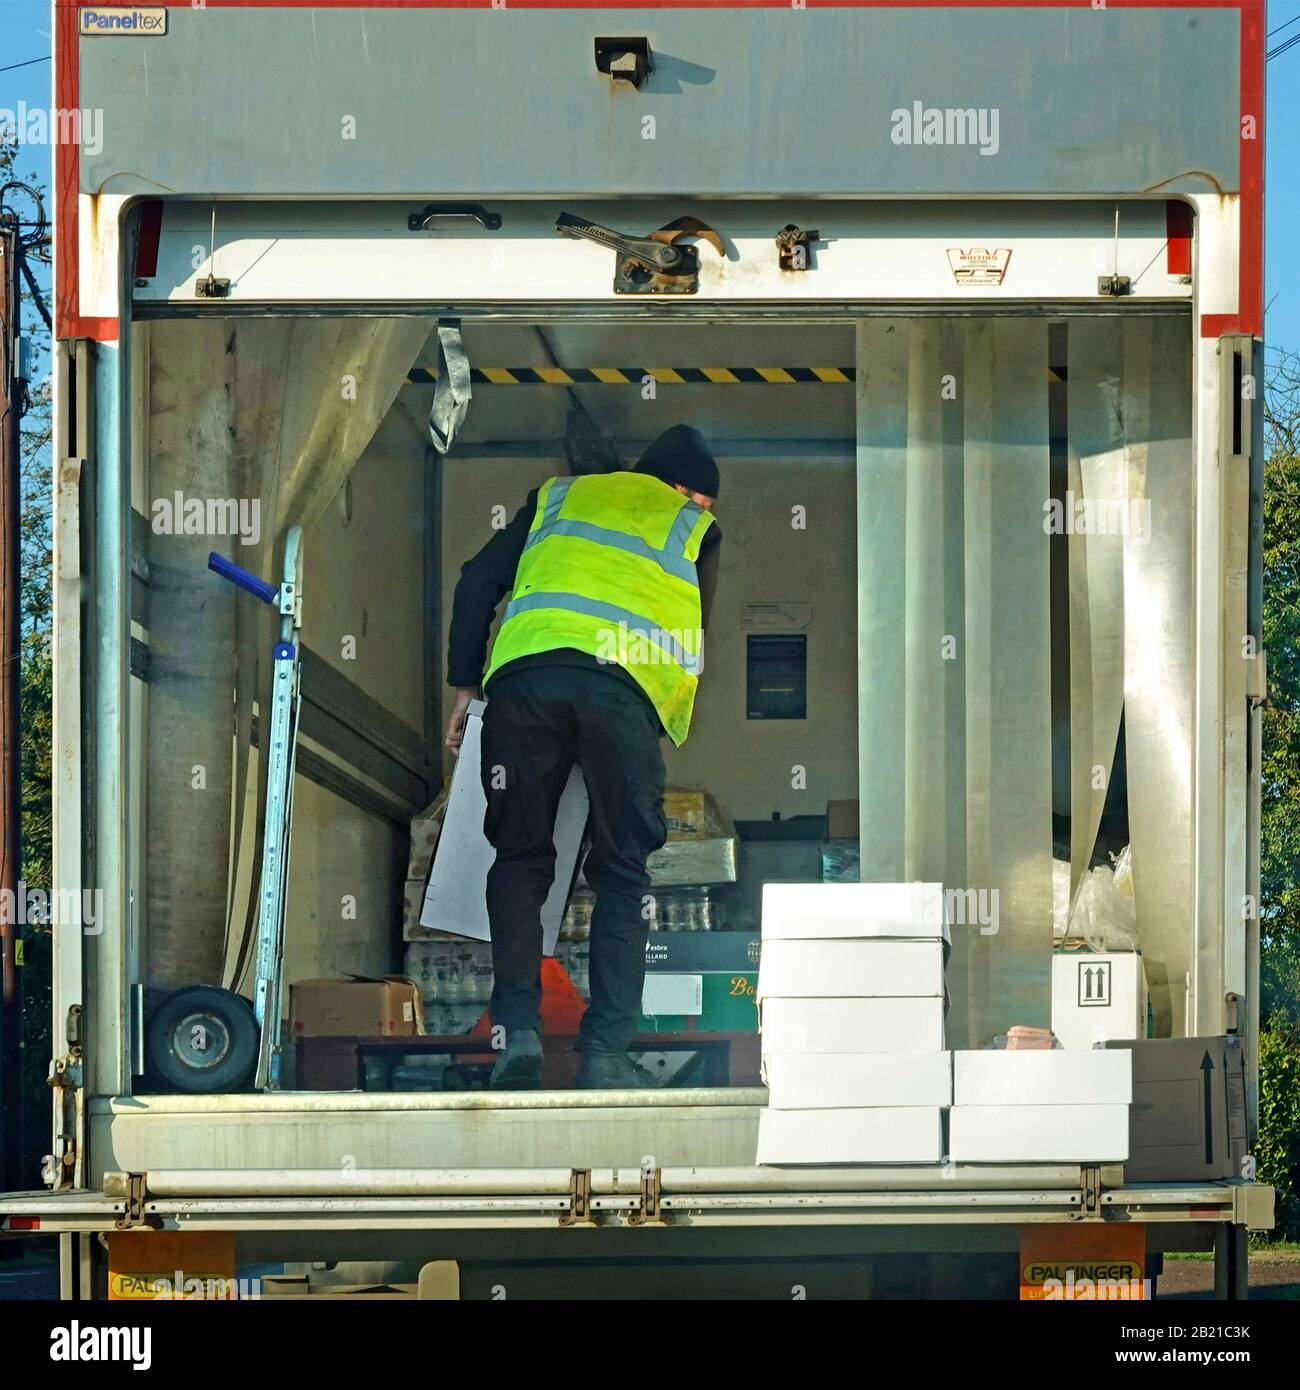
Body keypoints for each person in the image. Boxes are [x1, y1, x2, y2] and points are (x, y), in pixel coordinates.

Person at [445, 424, 721, 1089]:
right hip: (621, 694)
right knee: (623, 872)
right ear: (685, 490)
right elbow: (692, 631)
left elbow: (475, 581)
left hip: (523, 685)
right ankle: (604, 1053)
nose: (703, 511)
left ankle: (517, 1036)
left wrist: (463, 684)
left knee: (518, 860)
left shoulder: (556, 498)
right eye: (703, 499)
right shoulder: (692, 526)